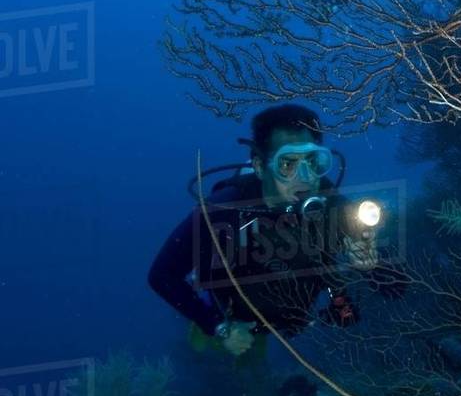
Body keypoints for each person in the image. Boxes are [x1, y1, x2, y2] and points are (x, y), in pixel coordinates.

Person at [148, 104, 397, 358]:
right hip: (237, 322)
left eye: (313, 161)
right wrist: (217, 326)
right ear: (259, 166)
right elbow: (161, 275)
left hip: (295, 323)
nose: (305, 177)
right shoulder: (221, 211)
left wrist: (372, 266)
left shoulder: (332, 206)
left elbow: (396, 288)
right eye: (287, 164)